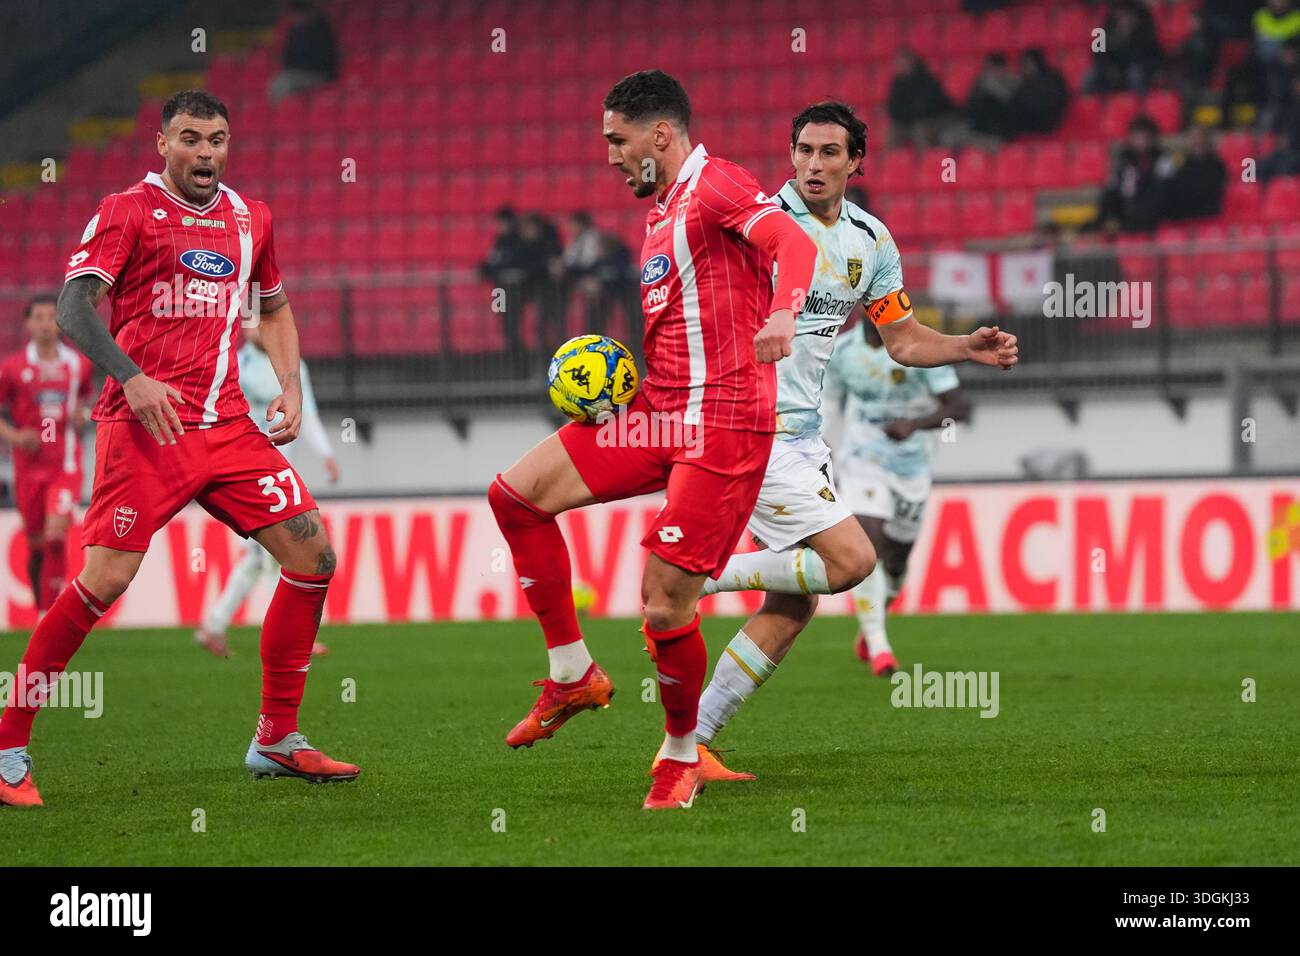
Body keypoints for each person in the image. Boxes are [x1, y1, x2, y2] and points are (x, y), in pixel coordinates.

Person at [0, 90, 357, 808]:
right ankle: (8, 742)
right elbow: (73, 306)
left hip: (227, 427)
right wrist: (131, 380)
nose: (205, 152)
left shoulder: (250, 217)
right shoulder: (127, 211)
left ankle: (276, 739)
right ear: (162, 144)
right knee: (103, 580)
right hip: (144, 428)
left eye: (217, 139)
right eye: (190, 138)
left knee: (312, 554)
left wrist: (289, 384)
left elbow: (276, 305)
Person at [487, 70, 818, 810]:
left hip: (723, 423)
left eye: (616, 138)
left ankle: (680, 755)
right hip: (658, 410)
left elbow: (791, 240)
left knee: (665, 604)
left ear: (659, 134)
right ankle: (573, 674)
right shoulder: (661, 212)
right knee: (515, 497)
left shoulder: (716, 185)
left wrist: (785, 313)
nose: (608, 154)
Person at [684, 102, 1016, 777]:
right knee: (852, 562)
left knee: (792, 607)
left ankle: (692, 746)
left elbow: (901, 339)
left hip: (803, 437)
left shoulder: (869, 240)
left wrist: (965, 347)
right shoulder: (757, 225)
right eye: (803, 149)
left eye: (829, 152)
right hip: (750, 427)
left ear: (855, 162)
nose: (813, 163)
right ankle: (702, 576)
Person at [825, 319, 971, 675]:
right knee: (868, 544)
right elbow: (829, 408)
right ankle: (879, 647)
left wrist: (914, 425)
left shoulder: (920, 347)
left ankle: (875, 617)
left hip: (912, 463)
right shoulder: (841, 351)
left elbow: (959, 406)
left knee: (895, 561)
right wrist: (821, 453)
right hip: (862, 458)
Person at [195, 322, 339, 658]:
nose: (256, 330)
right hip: (245, 473)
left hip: (278, 474)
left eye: (262, 323)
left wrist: (327, 455)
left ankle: (214, 626)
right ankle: (293, 636)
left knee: (261, 560)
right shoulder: (234, 367)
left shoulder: (293, 367)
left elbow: (310, 415)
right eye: (251, 324)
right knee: (281, 555)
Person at [0, 295, 93, 614]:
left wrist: (82, 414)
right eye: (37, 317)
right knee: (37, 543)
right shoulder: (13, 368)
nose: (44, 324)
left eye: (51, 317)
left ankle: (50, 615)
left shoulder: (77, 364)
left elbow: (84, 402)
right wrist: (14, 435)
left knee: (56, 536)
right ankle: (43, 611)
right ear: (27, 323)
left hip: (64, 464)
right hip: (28, 468)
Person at [1095, 115, 1175, 234]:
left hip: (1151, 213)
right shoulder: (1123, 159)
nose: (1142, 141)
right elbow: (1114, 186)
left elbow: (1163, 190)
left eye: (1145, 137)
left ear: (1153, 138)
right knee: (1108, 196)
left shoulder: (1162, 158)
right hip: (1125, 209)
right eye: (1138, 137)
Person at [1085, 0, 1163, 95]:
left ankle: (1139, 104)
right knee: (1090, 77)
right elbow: (1098, 52)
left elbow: (1149, 53)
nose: (1122, 16)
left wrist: (1128, 35)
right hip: (1114, 69)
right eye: (1119, 12)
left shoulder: (1145, 27)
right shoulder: (1106, 27)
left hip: (1138, 67)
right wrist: (1108, 68)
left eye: (1125, 13)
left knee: (1134, 74)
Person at [268, 0, 339, 102]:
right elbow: (288, 58)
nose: (294, 19)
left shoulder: (320, 31)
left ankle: (281, 112)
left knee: (282, 82)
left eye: (296, 15)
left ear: (303, 14)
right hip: (300, 74)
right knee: (281, 81)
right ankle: (285, 113)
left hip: (319, 74)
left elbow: (321, 60)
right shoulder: (294, 32)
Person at [887, 48, 954, 147]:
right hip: (906, 121)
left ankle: (925, 161)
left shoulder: (927, 80)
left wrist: (909, 115)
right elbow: (893, 108)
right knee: (891, 132)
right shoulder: (897, 83)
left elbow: (928, 107)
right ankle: (892, 161)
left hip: (929, 120)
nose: (901, 66)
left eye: (904, 63)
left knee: (921, 131)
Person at [1161, 125, 1226, 220]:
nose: (1197, 142)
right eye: (1193, 138)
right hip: (1181, 215)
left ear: (1206, 140)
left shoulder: (1217, 164)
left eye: (1200, 137)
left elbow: (1213, 191)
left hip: (1207, 214)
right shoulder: (1180, 163)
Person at [1011, 49, 1068, 135]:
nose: (1023, 69)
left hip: (1046, 125)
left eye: (1026, 64)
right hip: (1030, 128)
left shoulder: (1051, 81)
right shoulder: (1024, 84)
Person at [967, 53, 1019, 141]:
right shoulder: (982, 85)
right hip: (985, 130)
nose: (986, 70)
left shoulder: (1013, 82)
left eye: (989, 67)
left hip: (1003, 131)